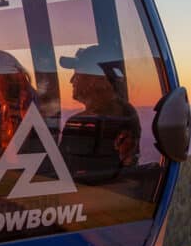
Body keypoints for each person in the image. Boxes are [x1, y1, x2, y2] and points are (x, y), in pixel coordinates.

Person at [58, 44, 141, 182]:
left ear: (97, 79)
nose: (71, 80)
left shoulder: (84, 122)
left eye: (77, 73)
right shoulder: (126, 113)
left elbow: (61, 172)